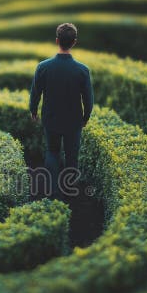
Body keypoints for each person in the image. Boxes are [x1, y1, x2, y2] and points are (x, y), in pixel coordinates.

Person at [29, 22, 94, 200]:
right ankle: (70, 191)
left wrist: (33, 110)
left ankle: (53, 191)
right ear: (74, 42)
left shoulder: (43, 67)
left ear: (57, 40)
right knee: (72, 155)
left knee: (52, 151)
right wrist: (86, 116)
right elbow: (88, 99)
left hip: (51, 118)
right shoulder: (82, 70)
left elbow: (35, 92)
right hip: (73, 120)